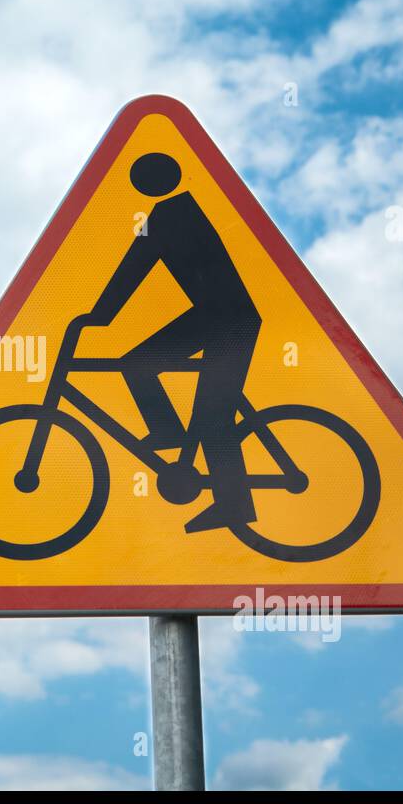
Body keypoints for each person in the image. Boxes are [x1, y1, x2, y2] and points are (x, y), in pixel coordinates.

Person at [78, 152, 261, 532]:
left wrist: (100, 317)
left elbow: (135, 266)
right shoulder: (173, 212)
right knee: (135, 364)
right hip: (214, 317)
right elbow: (136, 262)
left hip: (229, 321)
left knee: (212, 415)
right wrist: (99, 317)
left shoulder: (172, 215)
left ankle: (234, 505)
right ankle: (167, 431)